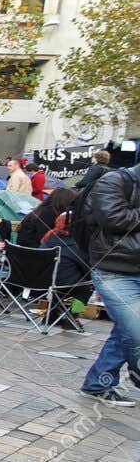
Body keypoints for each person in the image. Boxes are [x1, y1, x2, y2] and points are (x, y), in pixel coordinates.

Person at [79, 162, 140, 406]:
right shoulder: (114, 181)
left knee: (126, 330)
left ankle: (98, 384)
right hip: (115, 270)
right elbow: (115, 219)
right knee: (136, 331)